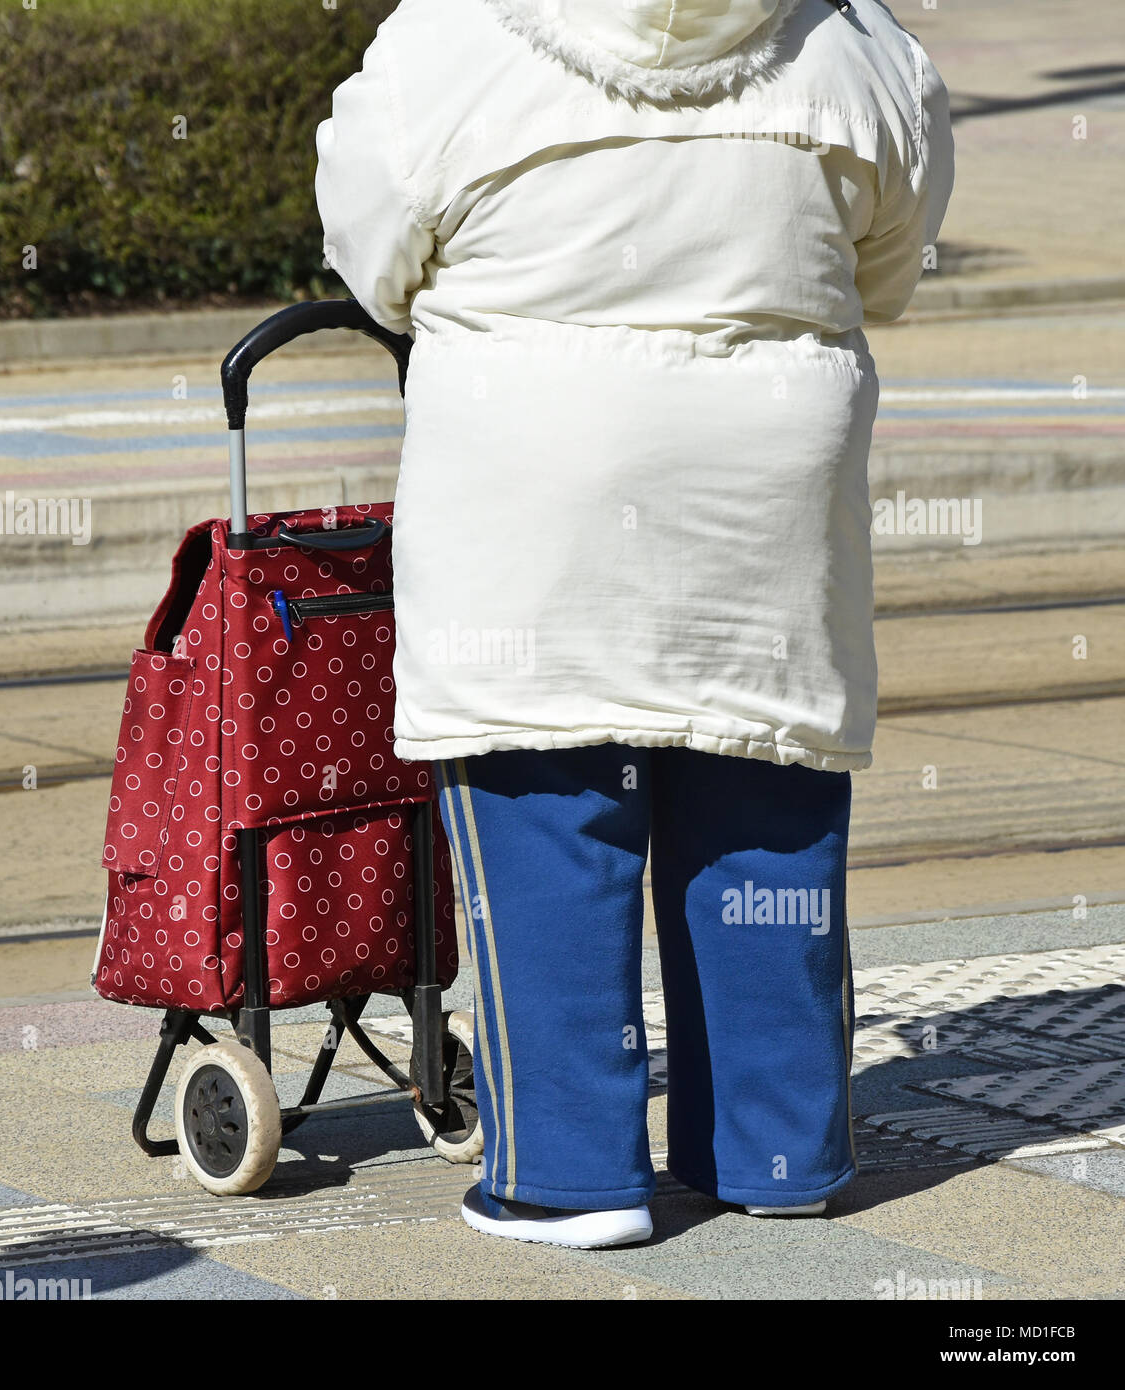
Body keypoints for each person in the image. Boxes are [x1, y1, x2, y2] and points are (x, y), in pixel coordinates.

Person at [315, 0, 953, 1248]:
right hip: (766, 497)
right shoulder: (851, 42)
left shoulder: (449, 39)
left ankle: (568, 1174)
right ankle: (775, 1152)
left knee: (547, 803)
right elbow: (891, 259)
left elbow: (370, 250)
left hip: (534, 496)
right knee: (763, 791)